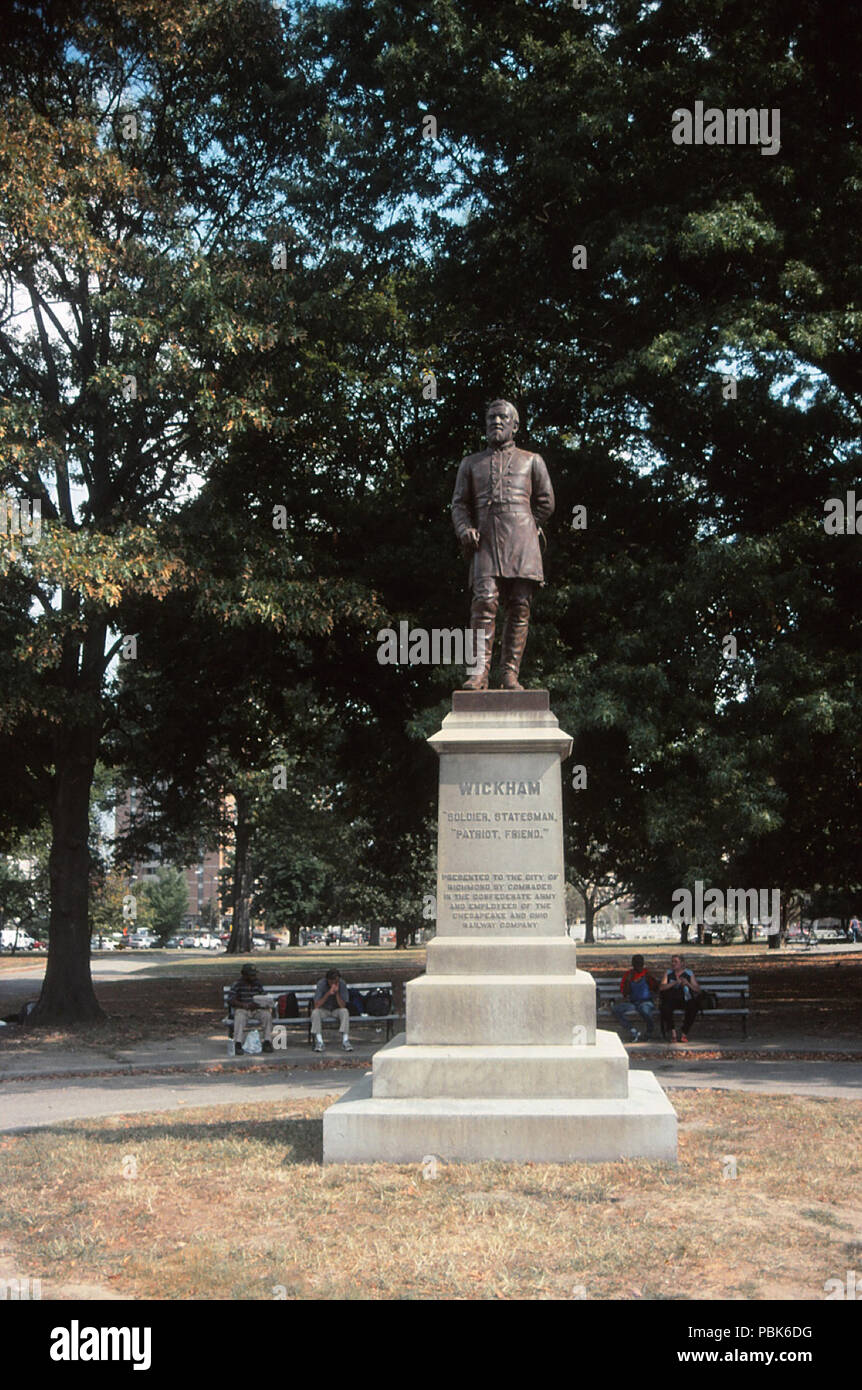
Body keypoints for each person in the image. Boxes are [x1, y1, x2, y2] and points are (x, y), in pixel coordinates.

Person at [451, 399, 555, 691]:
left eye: (502, 418)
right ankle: (478, 674)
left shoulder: (532, 460)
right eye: (491, 418)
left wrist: (525, 524)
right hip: (484, 542)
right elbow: (458, 504)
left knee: (520, 606)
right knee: (483, 602)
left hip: (522, 542)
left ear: (515, 425)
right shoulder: (470, 463)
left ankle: (509, 674)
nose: (496, 422)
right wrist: (464, 529)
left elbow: (546, 501)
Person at [228, 964, 274, 1053]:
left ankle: (267, 1042)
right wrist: (245, 1005)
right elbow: (231, 1000)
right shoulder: (237, 984)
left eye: (254, 975)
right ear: (244, 975)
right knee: (239, 1017)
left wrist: (262, 1002)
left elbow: (264, 995)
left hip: (257, 1009)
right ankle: (238, 1043)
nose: (253, 977)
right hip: (243, 1009)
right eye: (251, 975)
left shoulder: (257, 984)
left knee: (267, 1015)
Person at [612, 954, 659, 1041]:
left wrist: (651, 980)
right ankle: (632, 1030)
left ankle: (649, 1032)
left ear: (643, 963)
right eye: (636, 963)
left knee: (644, 1010)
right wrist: (628, 982)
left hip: (646, 1002)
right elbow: (625, 993)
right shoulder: (628, 975)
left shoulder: (647, 974)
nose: (638, 965)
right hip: (633, 1002)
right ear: (632, 964)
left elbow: (656, 989)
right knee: (616, 1009)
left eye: (639, 963)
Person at [659, 954, 702, 1043]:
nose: (673, 964)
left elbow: (697, 990)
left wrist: (687, 984)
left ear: (682, 963)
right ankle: (673, 1032)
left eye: (676, 962)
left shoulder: (689, 973)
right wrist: (674, 983)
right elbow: (661, 987)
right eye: (672, 962)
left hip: (685, 999)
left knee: (693, 1007)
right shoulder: (668, 973)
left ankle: (684, 1033)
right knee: (665, 1008)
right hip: (671, 999)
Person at [311, 968, 353, 1053]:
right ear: (328, 980)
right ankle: (319, 1041)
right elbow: (316, 1005)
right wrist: (328, 993)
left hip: (336, 1009)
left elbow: (343, 1005)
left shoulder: (342, 984)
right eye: (332, 982)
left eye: (336, 981)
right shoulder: (321, 984)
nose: (335, 983)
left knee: (345, 1012)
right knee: (315, 1013)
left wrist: (337, 993)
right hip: (324, 1009)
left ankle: (345, 1040)